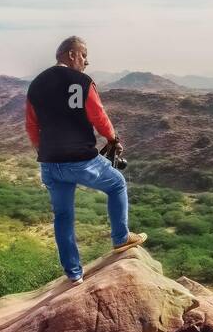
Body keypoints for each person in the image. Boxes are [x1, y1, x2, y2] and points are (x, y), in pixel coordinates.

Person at [25, 36, 146, 284]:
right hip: (81, 160)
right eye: (84, 55)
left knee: (63, 216)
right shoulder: (82, 82)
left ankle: (74, 274)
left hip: (50, 163)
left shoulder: (36, 85)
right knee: (117, 184)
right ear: (71, 54)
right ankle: (121, 239)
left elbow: (31, 126)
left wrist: (46, 152)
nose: (86, 61)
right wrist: (113, 139)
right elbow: (98, 117)